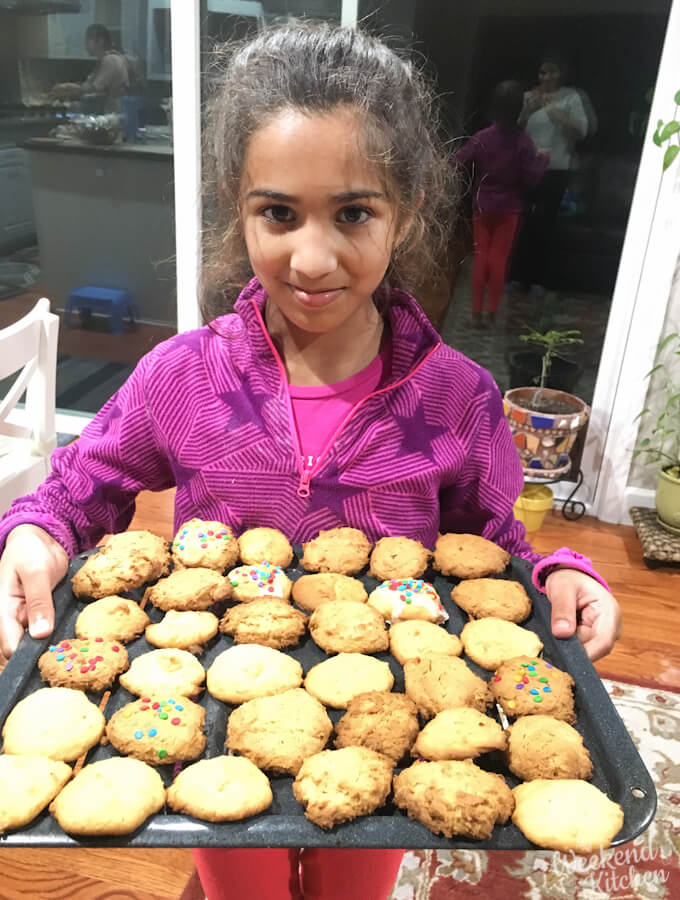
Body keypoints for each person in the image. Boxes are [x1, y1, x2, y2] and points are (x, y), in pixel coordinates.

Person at [0, 22, 620, 900]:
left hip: (390, 711)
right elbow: (80, 485)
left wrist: (559, 570)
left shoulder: (460, 399)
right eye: (279, 213)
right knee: (240, 884)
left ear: (405, 211)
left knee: (351, 886)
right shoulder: (183, 377)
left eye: (355, 212)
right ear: (237, 205)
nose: (314, 257)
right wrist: (35, 532)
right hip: (216, 709)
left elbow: (493, 544)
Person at [454, 80, 548, 327]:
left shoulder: (482, 137)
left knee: (481, 257)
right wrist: (542, 161)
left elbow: (457, 161)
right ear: (519, 109)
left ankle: (475, 314)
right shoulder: (523, 142)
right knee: (499, 260)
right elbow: (532, 178)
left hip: (482, 204)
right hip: (510, 208)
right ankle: (492, 312)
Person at [510, 52, 589, 295]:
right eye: (542, 72)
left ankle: (539, 280)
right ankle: (517, 277)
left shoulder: (571, 97)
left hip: (556, 168)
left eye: (552, 71)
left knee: (546, 225)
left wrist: (553, 110)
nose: (546, 77)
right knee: (523, 223)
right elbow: (511, 130)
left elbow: (582, 130)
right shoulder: (528, 96)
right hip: (527, 168)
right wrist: (528, 110)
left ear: (562, 73)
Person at [50, 24, 129, 114]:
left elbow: (93, 89)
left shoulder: (110, 60)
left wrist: (67, 88)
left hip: (115, 113)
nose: (86, 45)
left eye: (88, 41)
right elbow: (89, 86)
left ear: (100, 41)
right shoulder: (104, 60)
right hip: (110, 113)